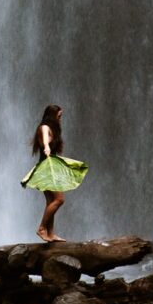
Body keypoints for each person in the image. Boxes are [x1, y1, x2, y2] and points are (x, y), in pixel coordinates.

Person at [21, 104, 88, 242]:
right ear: (52, 115)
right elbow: (45, 138)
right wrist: (46, 146)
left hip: (50, 165)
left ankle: (50, 234)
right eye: (59, 116)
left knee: (51, 201)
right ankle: (41, 228)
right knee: (59, 199)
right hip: (47, 167)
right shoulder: (44, 127)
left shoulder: (53, 129)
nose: (60, 118)